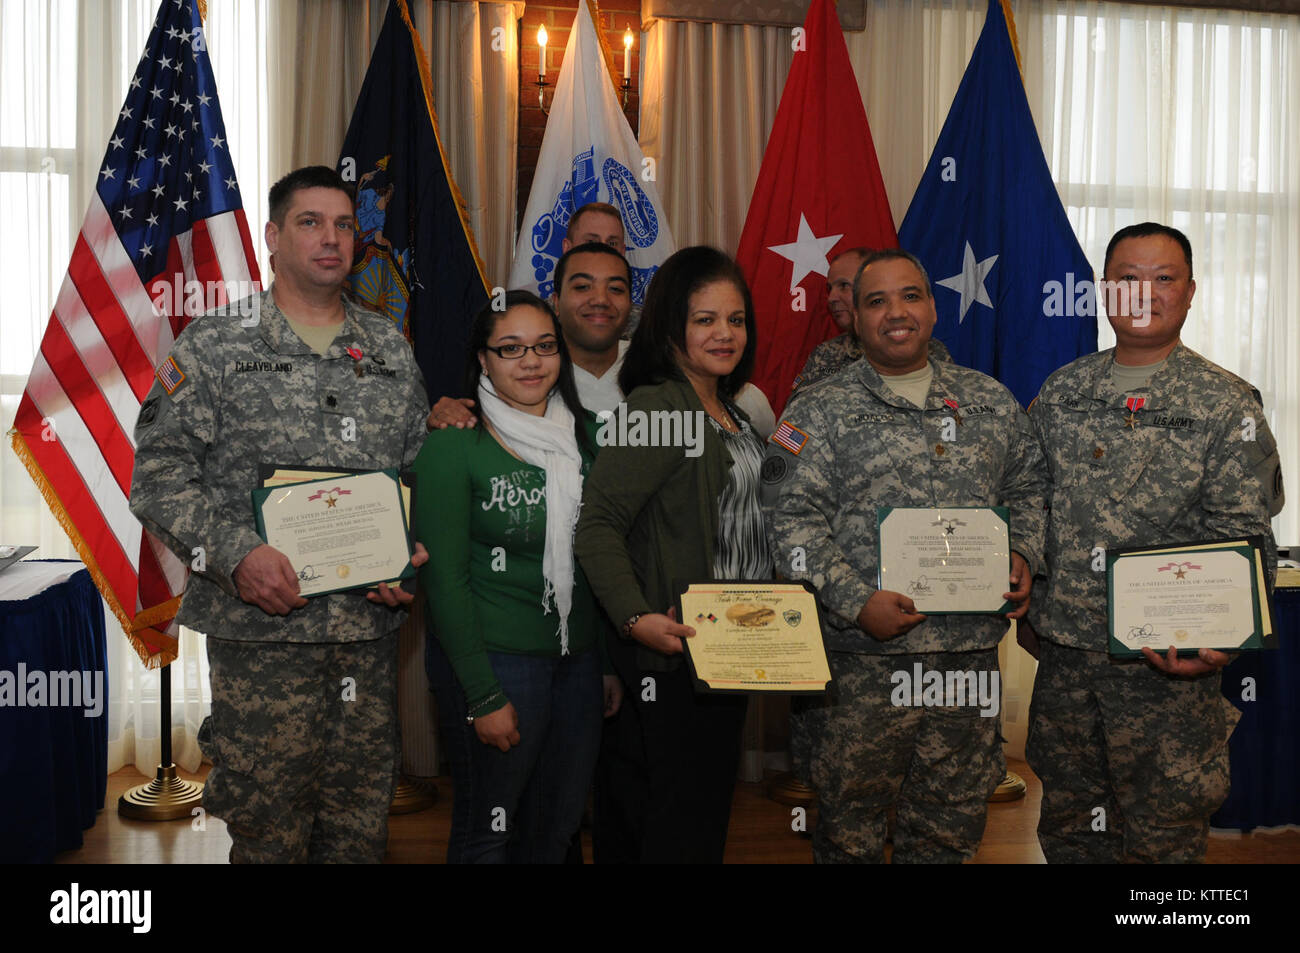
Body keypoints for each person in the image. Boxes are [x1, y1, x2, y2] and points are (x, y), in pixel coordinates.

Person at [129, 165, 431, 863]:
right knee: (269, 836)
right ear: (272, 236)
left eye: (344, 224)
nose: (332, 238)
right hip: (260, 642)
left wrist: (409, 557)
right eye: (310, 222)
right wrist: (237, 556)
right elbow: (159, 475)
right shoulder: (216, 344)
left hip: (364, 640)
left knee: (358, 834)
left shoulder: (388, 347)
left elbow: (414, 475)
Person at [761, 248, 1045, 863]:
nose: (896, 312)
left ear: (933, 308)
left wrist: (1022, 549)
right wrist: (856, 601)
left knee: (950, 829)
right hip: (861, 666)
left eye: (910, 295)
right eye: (877, 300)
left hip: (966, 662)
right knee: (849, 832)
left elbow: (1029, 487)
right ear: (855, 318)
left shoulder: (991, 402)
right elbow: (786, 521)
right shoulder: (814, 410)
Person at [1026, 223, 1285, 863]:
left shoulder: (1226, 402)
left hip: (1168, 667)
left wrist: (1223, 637)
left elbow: (1245, 531)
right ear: (1104, 291)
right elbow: (1028, 497)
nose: (1144, 293)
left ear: (1190, 293)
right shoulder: (1061, 392)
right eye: (1128, 278)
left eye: (1164, 278)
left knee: (1163, 837)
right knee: (1072, 830)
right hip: (1066, 663)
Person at [574, 246, 773, 863]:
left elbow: (762, 502)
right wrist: (634, 618)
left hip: (731, 646)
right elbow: (598, 524)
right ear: (669, 329)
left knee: (693, 812)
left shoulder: (732, 407)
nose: (724, 333)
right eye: (704, 319)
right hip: (675, 651)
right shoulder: (659, 407)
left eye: (736, 320)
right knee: (678, 822)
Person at [414, 291, 614, 863]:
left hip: (577, 663)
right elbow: (445, 583)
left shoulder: (589, 438)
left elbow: (599, 559)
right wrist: (482, 694)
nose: (531, 361)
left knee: (557, 830)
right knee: (489, 833)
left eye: (545, 346)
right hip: (496, 663)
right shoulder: (453, 445)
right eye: (511, 348)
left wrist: (603, 662)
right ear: (483, 359)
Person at [791, 247, 952, 397]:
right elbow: (799, 408)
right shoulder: (825, 354)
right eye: (830, 288)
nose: (831, 298)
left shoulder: (930, 351)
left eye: (844, 286)